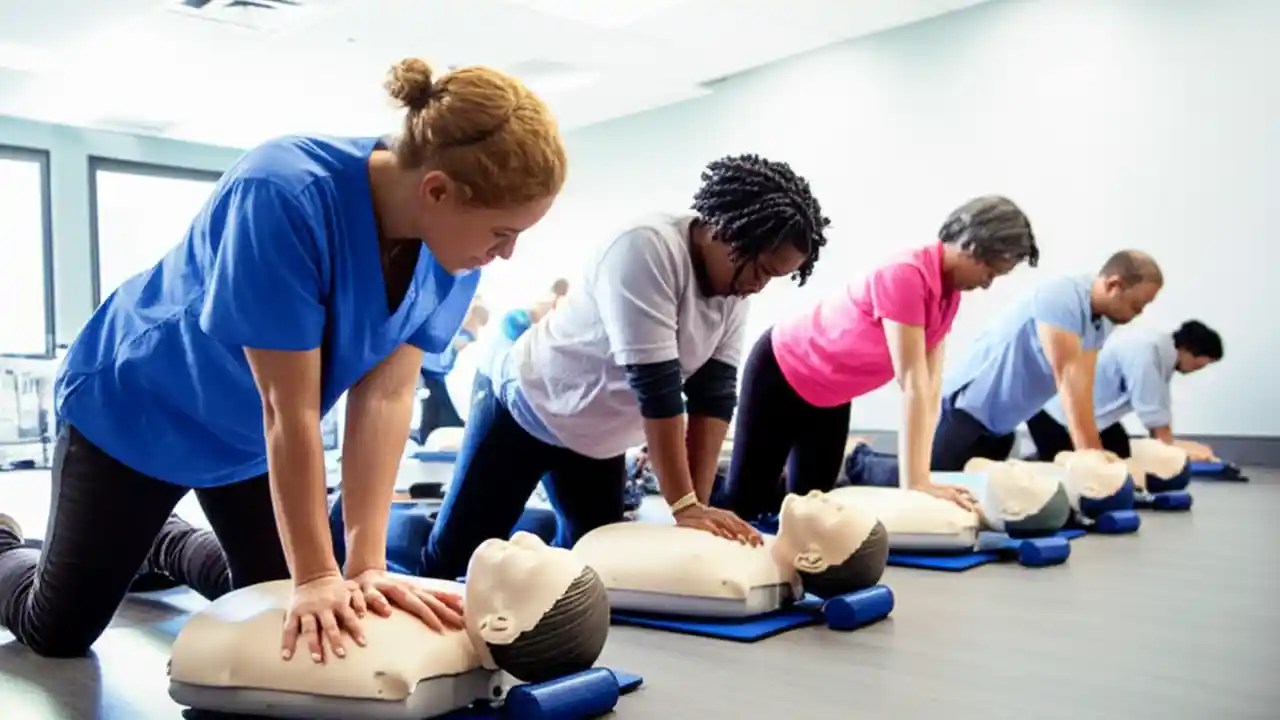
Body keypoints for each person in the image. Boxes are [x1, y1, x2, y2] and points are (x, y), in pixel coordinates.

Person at [0, 58, 567, 661]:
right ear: (436, 191)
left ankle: (158, 541)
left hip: (247, 439)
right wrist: (320, 575)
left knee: (290, 607)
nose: (506, 254)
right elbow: (286, 406)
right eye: (503, 233)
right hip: (136, 410)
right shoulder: (282, 192)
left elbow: (385, 397)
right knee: (58, 631)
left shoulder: (452, 252)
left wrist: (364, 565)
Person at [421, 154, 831, 579]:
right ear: (728, 231)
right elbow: (658, 389)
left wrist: (697, 506)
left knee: (596, 568)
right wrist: (683, 505)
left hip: (596, 441)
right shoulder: (646, 248)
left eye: (773, 278)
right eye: (761, 269)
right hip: (526, 408)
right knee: (457, 554)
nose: (758, 285)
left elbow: (713, 397)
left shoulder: (734, 290)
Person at [719, 196, 1038, 520]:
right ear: (971, 246)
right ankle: (689, 479)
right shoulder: (906, 274)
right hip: (783, 369)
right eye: (990, 271)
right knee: (745, 505)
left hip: (831, 395)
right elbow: (912, 381)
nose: (987, 284)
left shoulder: (947, 295)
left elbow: (930, 387)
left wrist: (923, 478)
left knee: (808, 509)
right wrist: (915, 483)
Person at [925, 251, 1163, 474]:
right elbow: (1068, 377)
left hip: (1001, 428)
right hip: (963, 415)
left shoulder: (1101, 320)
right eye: (1136, 305)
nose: (1139, 313)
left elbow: (1084, 382)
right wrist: (1092, 460)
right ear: (1114, 285)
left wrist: (1094, 453)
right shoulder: (1061, 297)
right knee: (926, 498)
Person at [1026, 320, 1224, 461]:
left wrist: (1180, 446)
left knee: (1119, 448)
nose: (1197, 371)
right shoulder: (1148, 352)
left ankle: (1041, 456)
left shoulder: (1160, 350)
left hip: (1080, 414)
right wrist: (1182, 452)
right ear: (1188, 349)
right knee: (1077, 469)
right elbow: (1154, 419)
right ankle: (1031, 464)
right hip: (1055, 417)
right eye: (1200, 366)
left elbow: (1160, 412)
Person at [413, 299, 489, 443]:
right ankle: (429, 429)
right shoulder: (460, 323)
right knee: (434, 399)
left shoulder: (467, 328)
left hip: (435, 366)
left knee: (435, 399)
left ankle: (429, 428)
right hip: (432, 365)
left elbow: (455, 346)